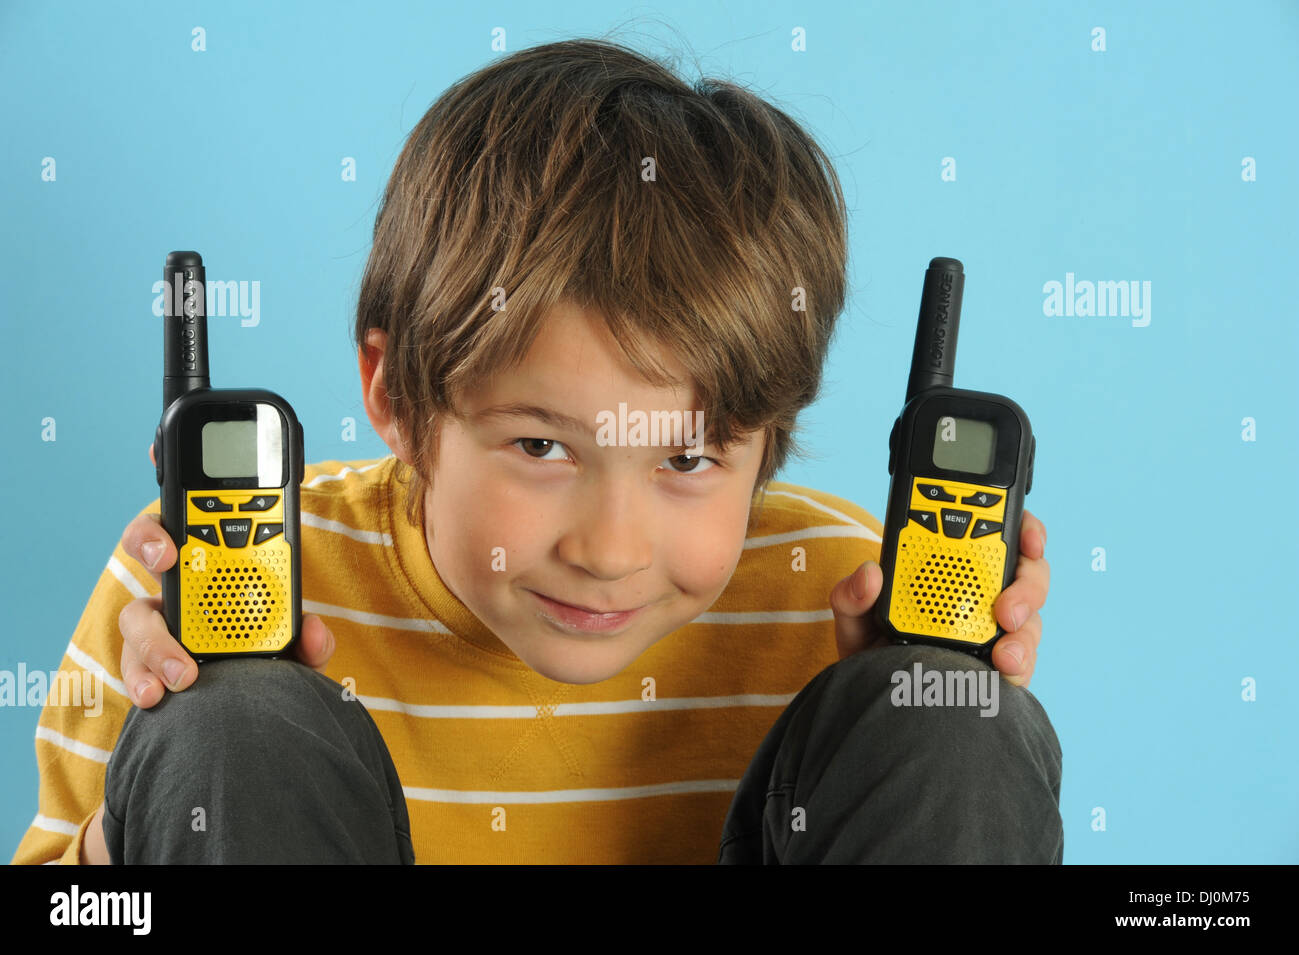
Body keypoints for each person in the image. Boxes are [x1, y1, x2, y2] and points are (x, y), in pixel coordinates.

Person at [11, 38, 1060, 865]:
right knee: (229, 727)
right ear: (395, 393)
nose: (610, 549)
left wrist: (898, 724)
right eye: (540, 444)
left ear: (767, 443)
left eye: (687, 461)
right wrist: (153, 818)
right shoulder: (182, 591)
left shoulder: (838, 587)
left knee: (949, 713)